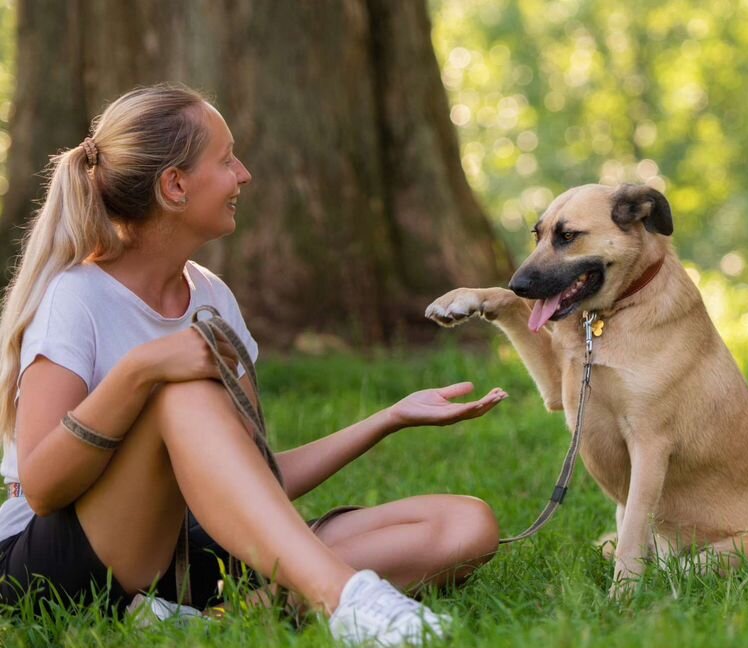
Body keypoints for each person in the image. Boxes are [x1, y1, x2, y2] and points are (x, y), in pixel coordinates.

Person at [0, 84, 505, 645]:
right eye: (226, 159)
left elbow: (256, 480)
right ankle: (351, 604)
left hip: (184, 553)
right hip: (54, 563)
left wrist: (389, 418)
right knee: (178, 392)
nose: (244, 175)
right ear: (174, 186)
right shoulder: (76, 296)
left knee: (465, 524)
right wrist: (140, 371)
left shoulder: (212, 296)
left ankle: (214, 622)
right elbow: (42, 490)